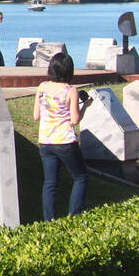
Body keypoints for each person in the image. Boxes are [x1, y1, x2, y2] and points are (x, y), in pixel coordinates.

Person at [34, 52, 91, 221]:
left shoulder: (42, 87)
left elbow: (36, 116)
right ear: (69, 70)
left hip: (45, 141)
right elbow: (74, 120)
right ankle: (74, 216)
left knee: (50, 183)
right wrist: (85, 105)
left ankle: (48, 221)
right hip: (65, 141)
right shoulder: (70, 90)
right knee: (81, 177)